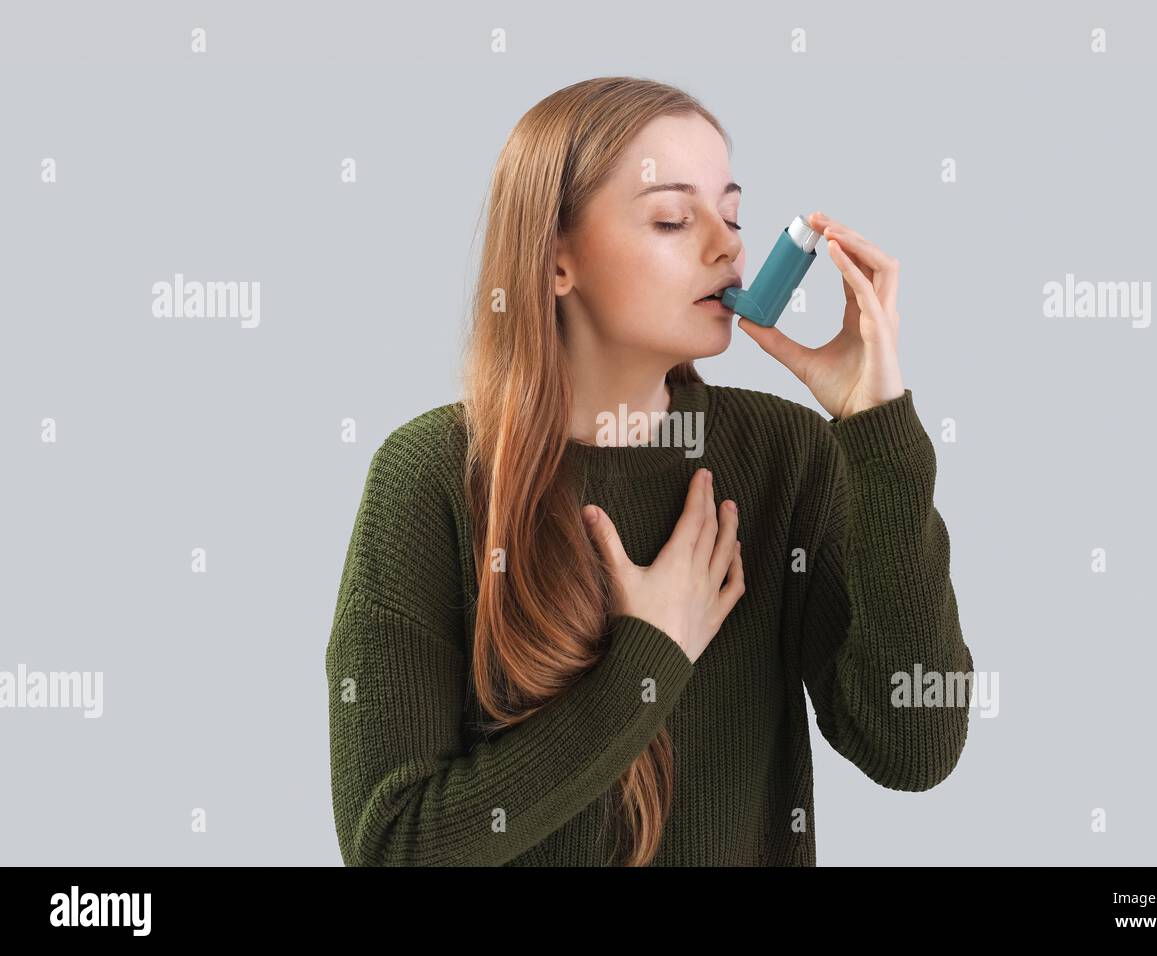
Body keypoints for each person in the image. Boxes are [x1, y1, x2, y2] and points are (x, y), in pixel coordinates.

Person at [325, 75, 975, 867]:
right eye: (673, 218)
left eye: (732, 214)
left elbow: (915, 748)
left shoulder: (786, 455)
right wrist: (651, 655)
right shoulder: (428, 478)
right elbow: (393, 848)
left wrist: (877, 431)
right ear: (556, 260)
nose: (727, 245)